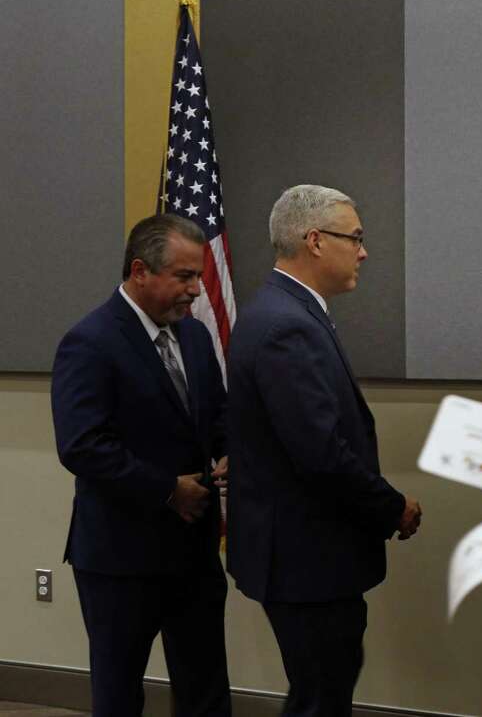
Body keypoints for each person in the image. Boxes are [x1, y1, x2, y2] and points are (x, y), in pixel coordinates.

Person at [226, 184, 422, 717]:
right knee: (320, 697)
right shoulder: (286, 325)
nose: (363, 251)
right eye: (354, 238)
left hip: (306, 556)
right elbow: (321, 455)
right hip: (305, 560)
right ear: (315, 240)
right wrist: (391, 505)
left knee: (322, 690)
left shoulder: (285, 311)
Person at [50, 214, 231, 717]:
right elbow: (82, 445)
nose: (196, 289)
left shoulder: (193, 336)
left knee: (206, 689)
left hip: (192, 554)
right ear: (139, 272)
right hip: (119, 558)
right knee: (119, 695)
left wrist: (227, 450)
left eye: (198, 276)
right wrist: (167, 490)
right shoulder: (90, 341)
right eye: (184, 276)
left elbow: (218, 414)